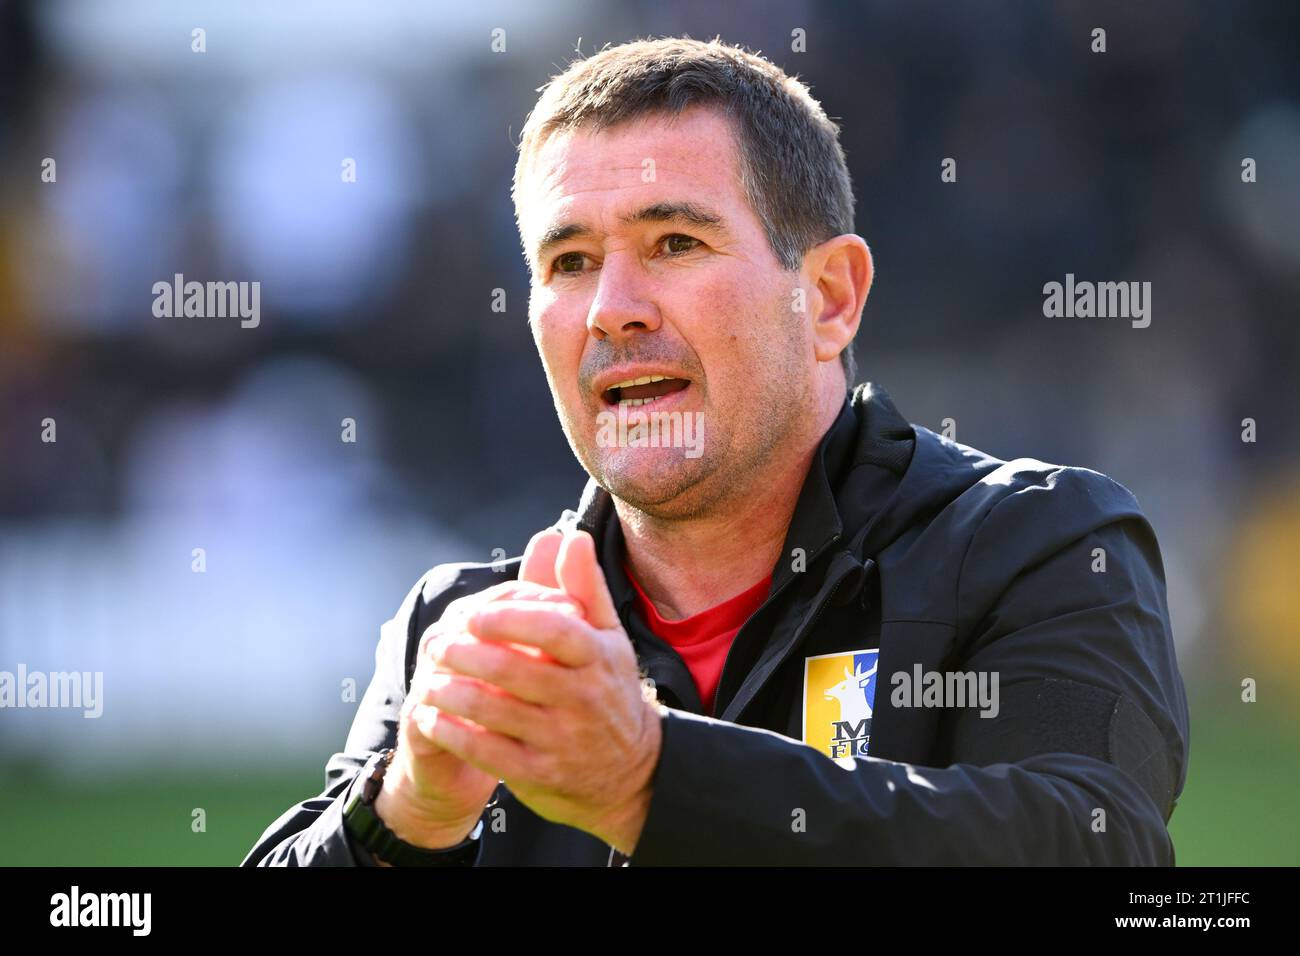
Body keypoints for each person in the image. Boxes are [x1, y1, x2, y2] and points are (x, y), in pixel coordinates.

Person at [241, 37, 1189, 867]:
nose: (613, 307)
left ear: (828, 299)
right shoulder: (466, 633)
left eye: (675, 242)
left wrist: (648, 780)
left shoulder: (1035, 541)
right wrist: (406, 816)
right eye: (569, 262)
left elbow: (1097, 844)